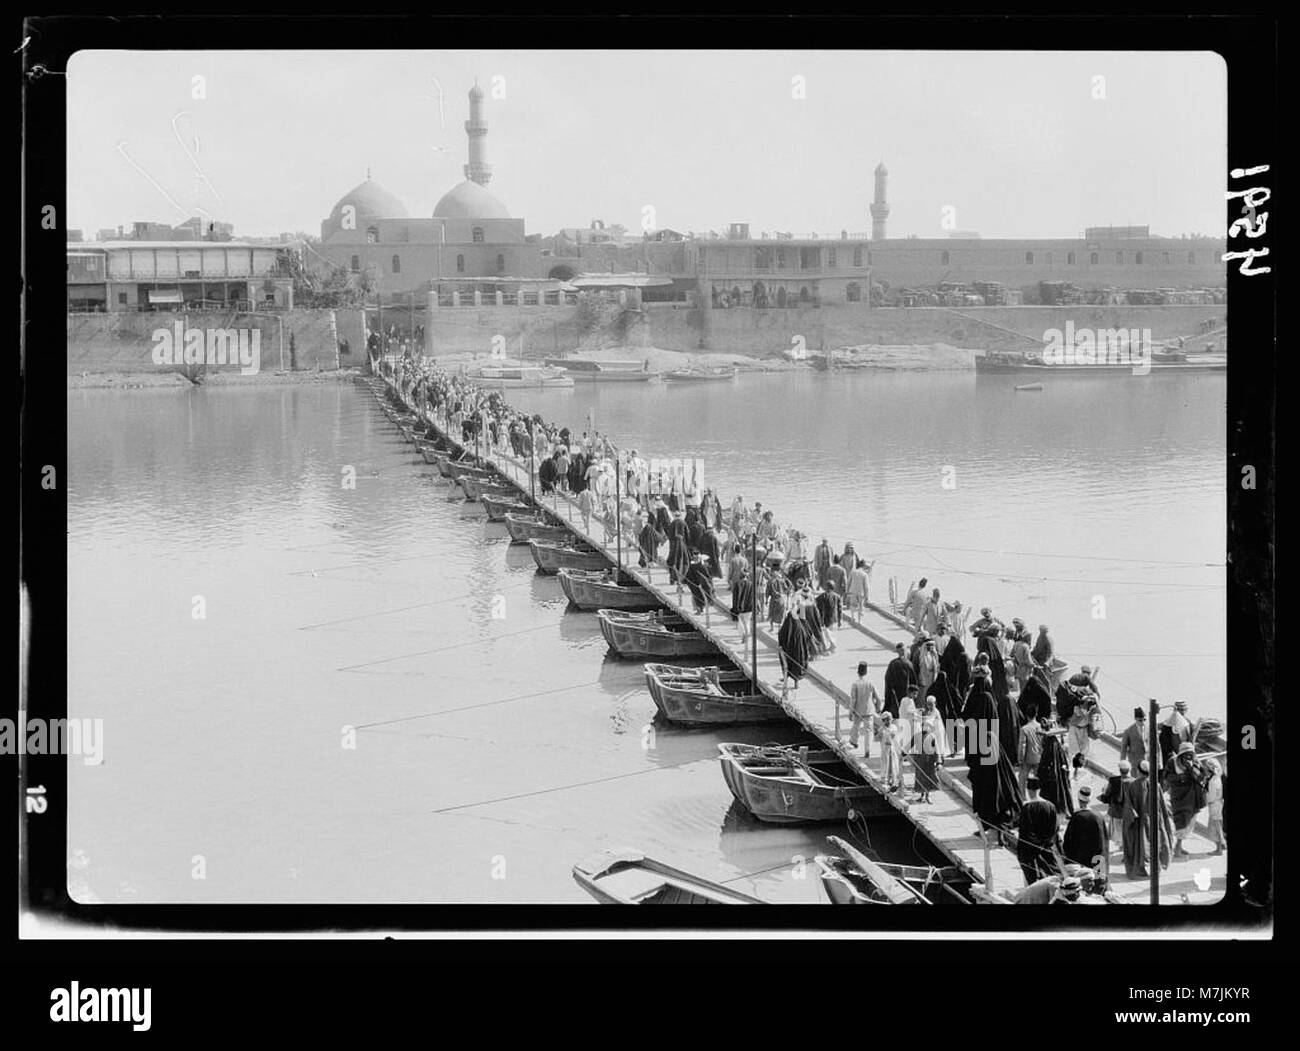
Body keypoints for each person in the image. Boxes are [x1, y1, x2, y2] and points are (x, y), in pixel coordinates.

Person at [1122, 759, 1172, 878]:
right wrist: (1165, 820)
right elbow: (1162, 805)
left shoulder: (1133, 785)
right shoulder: (1156, 785)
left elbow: (1129, 806)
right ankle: (1157, 868)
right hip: (1155, 820)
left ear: (1139, 771)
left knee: (1140, 844)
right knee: (1157, 843)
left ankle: (1140, 869)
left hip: (1140, 821)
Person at [1165, 742, 1209, 856]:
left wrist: (1192, 768)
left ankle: (1179, 846)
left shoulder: (1195, 762)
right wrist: (1180, 777)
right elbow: (1167, 776)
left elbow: (1202, 775)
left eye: (1191, 753)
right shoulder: (1172, 762)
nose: (1189, 756)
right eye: (1186, 754)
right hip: (1180, 796)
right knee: (1181, 821)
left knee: (1190, 821)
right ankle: (1177, 848)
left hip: (1193, 796)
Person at [1016, 777, 1062, 885]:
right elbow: (1055, 829)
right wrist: (1045, 843)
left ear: (1028, 790)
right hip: (1046, 848)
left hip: (1029, 850)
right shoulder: (1050, 806)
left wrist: (1035, 843)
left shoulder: (1026, 807)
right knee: (1051, 876)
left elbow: (1025, 831)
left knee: (1031, 879)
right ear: (1039, 789)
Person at [1062, 786, 1109, 873]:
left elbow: (1068, 842)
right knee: (1098, 882)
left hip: (1081, 862)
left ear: (1079, 800)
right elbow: (1104, 841)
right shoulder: (1099, 816)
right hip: (1097, 861)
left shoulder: (1077, 817)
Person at [913, 696, 945, 804]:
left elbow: (938, 734)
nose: (930, 706)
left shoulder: (936, 714)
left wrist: (939, 760)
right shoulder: (924, 713)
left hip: (930, 756)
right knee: (921, 777)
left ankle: (928, 795)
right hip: (921, 758)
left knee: (929, 776)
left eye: (932, 704)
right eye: (928, 704)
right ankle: (922, 795)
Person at [847, 662, 880, 755]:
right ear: (866, 672)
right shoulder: (870, 683)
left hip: (858, 710)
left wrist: (850, 711)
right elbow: (877, 697)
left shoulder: (855, 684)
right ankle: (867, 750)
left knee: (856, 726)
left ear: (858, 672)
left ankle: (854, 741)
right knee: (868, 732)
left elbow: (853, 699)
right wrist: (878, 708)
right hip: (869, 711)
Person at [1098, 760, 1132, 848]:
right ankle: (1125, 846)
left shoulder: (1113, 780)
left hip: (1116, 811)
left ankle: (1122, 845)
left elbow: (1107, 794)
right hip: (1129, 812)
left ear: (1120, 769)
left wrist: (1102, 797)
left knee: (1118, 830)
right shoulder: (1134, 781)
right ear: (1129, 769)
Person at [883, 643, 915, 719]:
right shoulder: (908, 663)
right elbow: (913, 680)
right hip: (905, 692)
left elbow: (887, 679)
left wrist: (889, 691)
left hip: (895, 692)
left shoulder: (893, 663)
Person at [1017, 715, 1044, 795]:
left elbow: (1022, 745)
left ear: (1027, 716)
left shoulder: (1024, 729)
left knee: (1022, 779)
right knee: (1038, 779)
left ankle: (1023, 798)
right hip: (1039, 757)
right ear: (1036, 714)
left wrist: (1020, 759)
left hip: (1028, 758)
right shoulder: (1040, 727)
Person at [1204, 759, 1226, 856]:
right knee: (1218, 826)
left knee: (1215, 827)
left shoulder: (1213, 782)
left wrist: (1205, 798)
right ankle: (1222, 845)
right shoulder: (1217, 778)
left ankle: (1219, 849)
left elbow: (1211, 797)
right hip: (1218, 804)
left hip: (1214, 805)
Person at [878, 712, 903, 793]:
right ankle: (885, 778)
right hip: (885, 749)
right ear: (883, 721)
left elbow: (897, 739)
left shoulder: (894, 727)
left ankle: (893, 779)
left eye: (889, 719)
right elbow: (880, 738)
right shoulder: (881, 729)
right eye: (886, 720)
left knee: (893, 763)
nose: (888, 721)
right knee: (886, 763)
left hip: (892, 748)